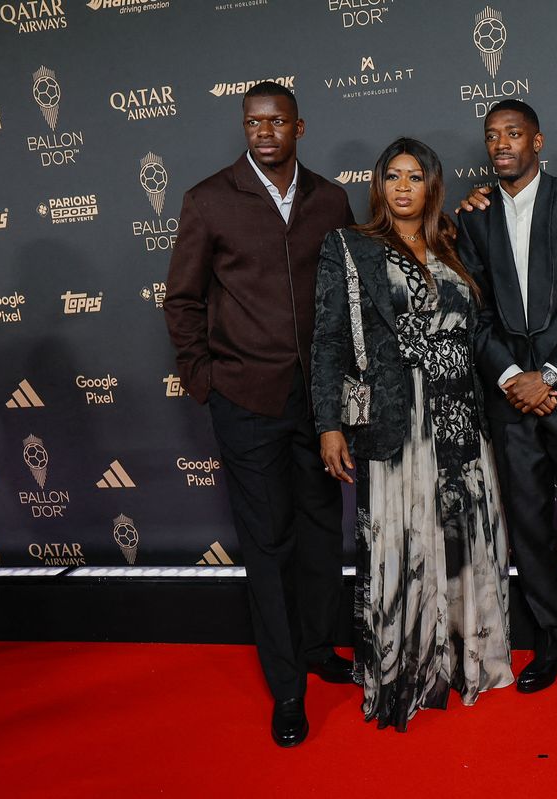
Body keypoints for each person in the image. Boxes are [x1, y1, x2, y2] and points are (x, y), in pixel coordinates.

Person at [164, 81, 354, 748]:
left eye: (276, 121)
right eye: (253, 121)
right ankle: (288, 689)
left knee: (322, 531)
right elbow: (181, 300)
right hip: (244, 402)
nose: (264, 131)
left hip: (319, 403)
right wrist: (205, 379)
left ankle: (318, 648)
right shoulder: (208, 199)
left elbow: (344, 293)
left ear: (299, 127)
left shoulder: (330, 199)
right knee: (268, 545)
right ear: (243, 127)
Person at [311, 137, 513, 733]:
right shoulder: (351, 248)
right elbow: (326, 341)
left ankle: (464, 657)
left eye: (415, 176)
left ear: (432, 185)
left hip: (462, 414)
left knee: (462, 535)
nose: (402, 187)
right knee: (403, 537)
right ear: (379, 186)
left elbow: (479, 327)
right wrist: (328, 425)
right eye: (392, 176)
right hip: (399, 417)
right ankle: (408, 665)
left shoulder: (454, 242)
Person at [455, 100, 557, 719]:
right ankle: (548, 646)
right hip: (508, 400)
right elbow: (470, 312)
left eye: (513, 134)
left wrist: (548, 375)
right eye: (492, 136)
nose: (501, 144)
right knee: (529, 534)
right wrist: (509, 377)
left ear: (538, 140)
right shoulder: (471, 218)